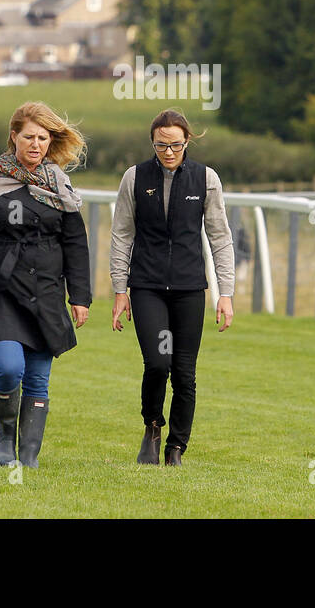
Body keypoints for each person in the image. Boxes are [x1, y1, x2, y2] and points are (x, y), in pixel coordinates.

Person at [0, 102, 91, 469]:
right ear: (14, 136)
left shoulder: (59, 185)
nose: (36, 144)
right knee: (10, 366)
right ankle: (4, 438)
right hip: (0, 289)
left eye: (43, 138)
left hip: (46, 290)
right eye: (29, 136)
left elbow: (76, 243)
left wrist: (80, 296)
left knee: (39, 376)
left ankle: (27, 456)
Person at [109, 108, 235, 466]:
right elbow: (121, 235)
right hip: (147, 286)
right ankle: (152, 426)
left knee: (184, 371)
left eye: (175, 145)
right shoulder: (134, 178)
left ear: (187, 142)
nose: (168, 152)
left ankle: (176, 447)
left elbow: (220, 238)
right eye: (161, 145)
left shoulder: (206, 179)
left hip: (189, 289)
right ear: (153, 142)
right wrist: (120, 290)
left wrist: (225, 293)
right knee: (158, 363)